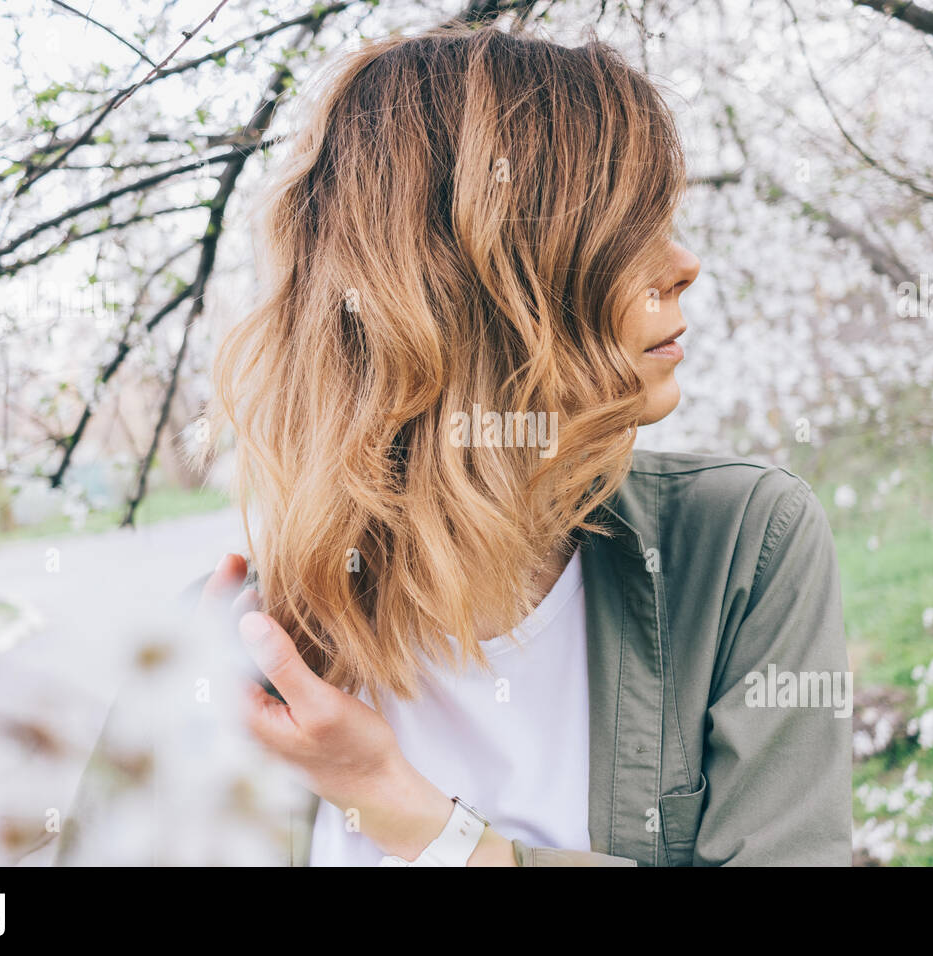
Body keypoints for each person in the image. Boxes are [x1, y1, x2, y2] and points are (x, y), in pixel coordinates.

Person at [59, 23, 851, 868]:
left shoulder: (738, 549)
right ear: (481, 277)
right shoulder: (237, 645)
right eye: (634, 225)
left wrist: (417, 822)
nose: (685, 263)